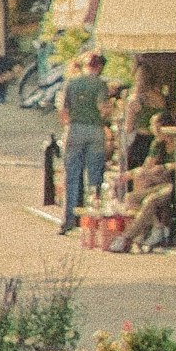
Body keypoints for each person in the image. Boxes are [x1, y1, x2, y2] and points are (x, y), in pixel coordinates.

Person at [58, 52, 109, 232]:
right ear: (100, 67)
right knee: (94, 176)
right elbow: (103, 109)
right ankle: (93, 221)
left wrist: (69, 127)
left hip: (74, 130)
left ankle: (68, 220)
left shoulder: (71, 83)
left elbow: (63, 110)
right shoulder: (100, 85)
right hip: (95, 130)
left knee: (72, 176)